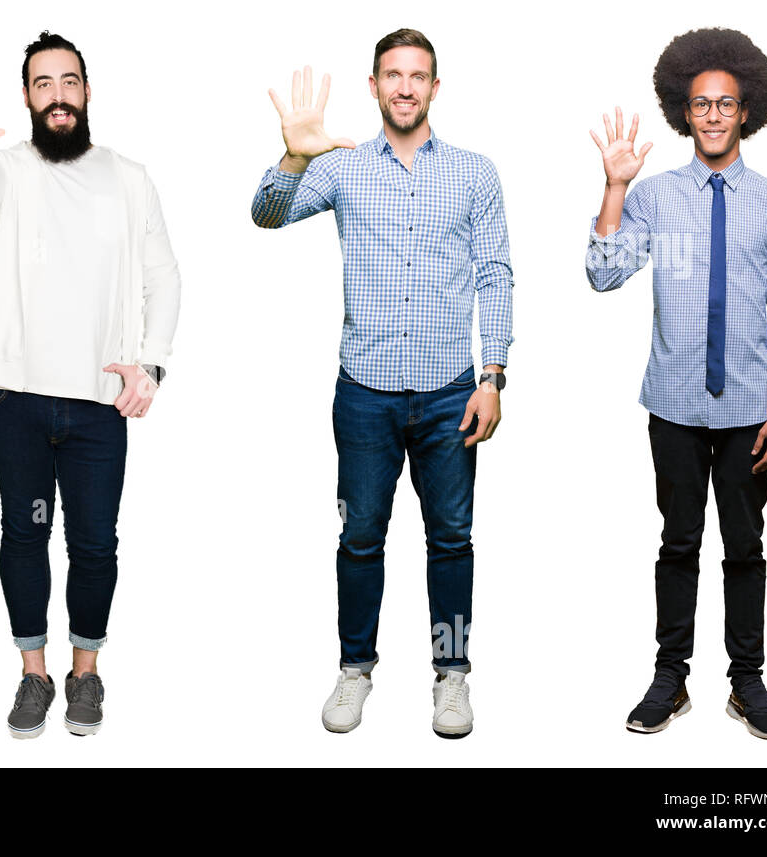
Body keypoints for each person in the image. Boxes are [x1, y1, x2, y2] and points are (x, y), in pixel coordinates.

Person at [0, 31, 181, 739]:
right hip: (15, 398)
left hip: (100, 399)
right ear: (27, 98)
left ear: (87, 93)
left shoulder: (128, 176)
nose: (57, 95)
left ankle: (86, 674)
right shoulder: (10, 173)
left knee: (94, 543)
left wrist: (151, 363)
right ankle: (35, 675)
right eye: (42, 84)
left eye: (69, 82)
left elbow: (162, 275)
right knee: (24, 534)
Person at [250, 28, 513, 737]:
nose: (404, 87)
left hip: (451, 393)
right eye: (392, 75)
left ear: (435, 86)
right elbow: (266, 214)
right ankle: (354, 668)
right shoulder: (341, 168)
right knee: (360, 534)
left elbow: (495, 273)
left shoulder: (474, 173)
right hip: (363, 393)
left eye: (417, 75)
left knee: (451, 537)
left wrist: (494, 375)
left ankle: (451, 674)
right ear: (373, 86)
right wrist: (294, 154)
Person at [585, 27, 767, 740]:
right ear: (685, 110)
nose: (712, 115)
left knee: (745, 546)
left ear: (748, 111)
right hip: (673, 405)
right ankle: (670, 676)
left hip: (749, 406)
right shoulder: (652, 197)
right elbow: (604, 273)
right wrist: (614, 187)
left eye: (725, 104)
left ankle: (747, 681)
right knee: (678, 542)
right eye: (700, 103)